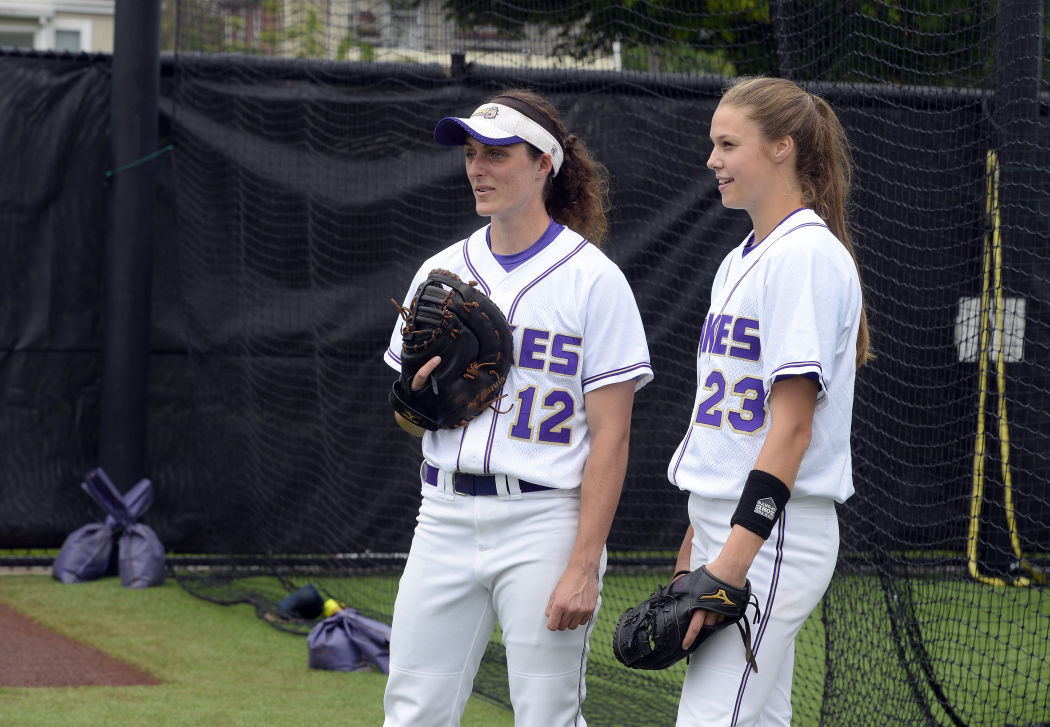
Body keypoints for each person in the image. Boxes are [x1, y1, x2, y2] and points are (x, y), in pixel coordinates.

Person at [382, 89, 653, 726]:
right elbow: (407, 419)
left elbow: (612, 438)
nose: (479, 167)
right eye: (472, 153)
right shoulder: (443, 271)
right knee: (412, 711)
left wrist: (584, 564)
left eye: (499, 154)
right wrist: (416, 404)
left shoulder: (593, 279)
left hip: (544, 522)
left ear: (544, 165)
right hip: (442, 513)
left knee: (547, 715)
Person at [666, 76, 872, 726]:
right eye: (713, 143)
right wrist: (694, 539)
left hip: (772, 533)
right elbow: (730, 427)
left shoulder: (805, 256)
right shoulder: (743, 258)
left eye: (729, 144)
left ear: (782, 147)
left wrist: (728, 562)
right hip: (729, 522)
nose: (713, 160)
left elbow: (791, 430)